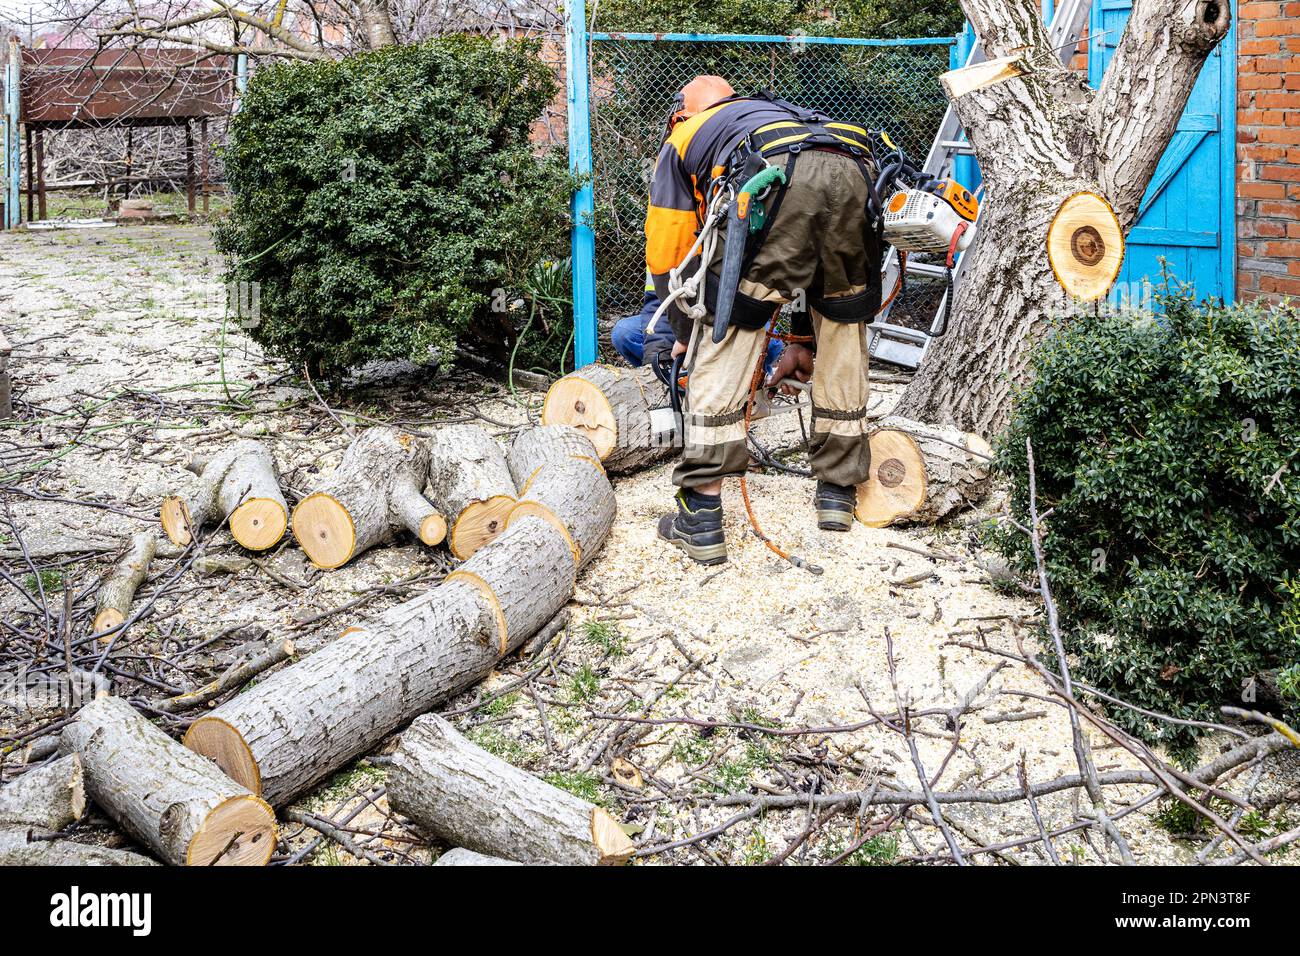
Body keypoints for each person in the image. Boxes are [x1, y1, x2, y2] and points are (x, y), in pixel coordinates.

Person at [647, 75, 883, 565]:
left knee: (731, 330)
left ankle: (702, 513)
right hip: (856, 168)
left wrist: (686, 333)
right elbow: (805, 262)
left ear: (684, 111)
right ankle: (837, 494)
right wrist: (801, 337)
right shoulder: (775, 113)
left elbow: (668, 248)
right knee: (842, 325)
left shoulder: (685, 136)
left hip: (772, 178)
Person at [610, 273, 782, 375]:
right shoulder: (665, 235)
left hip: (727, 321)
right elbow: (656, 302)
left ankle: (751, 387)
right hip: (678, 321)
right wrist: (658, 357)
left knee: (770, 343)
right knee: (624, 333)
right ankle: (666, 381)